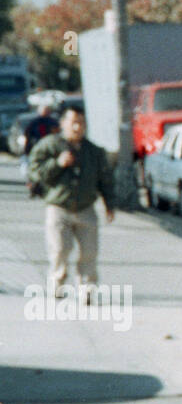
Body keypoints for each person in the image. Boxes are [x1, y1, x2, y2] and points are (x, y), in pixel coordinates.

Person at [28, 107, 115, 297]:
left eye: (81, 123)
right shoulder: (49, 145)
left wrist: (110, 204)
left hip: (86, 208)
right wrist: (57, 163)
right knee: (59, 249)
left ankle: (87, 288)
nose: (77, 127)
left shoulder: (94, 151)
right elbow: (35, 171)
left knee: (89, 252)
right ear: (63, 124)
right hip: (58, 207)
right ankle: (57, 282)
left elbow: (105, 179)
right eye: (73, 122)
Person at [20, 103, 59, 192]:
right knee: (31, 167)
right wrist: (27, 149)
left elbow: (57, 135)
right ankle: (34, 185)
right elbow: (28, 136)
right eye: (43, 111)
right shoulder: (34, 123)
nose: (45, 113)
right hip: (36, 149)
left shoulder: (53, 122)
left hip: (50, 150)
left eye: (47, 110)